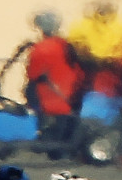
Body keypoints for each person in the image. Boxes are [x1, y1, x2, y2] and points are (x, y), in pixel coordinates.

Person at [24, 11, 85, 145]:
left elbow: (33, 74)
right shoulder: (67, 45)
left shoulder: (40, 48)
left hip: (49, 99)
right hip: (69, 98)